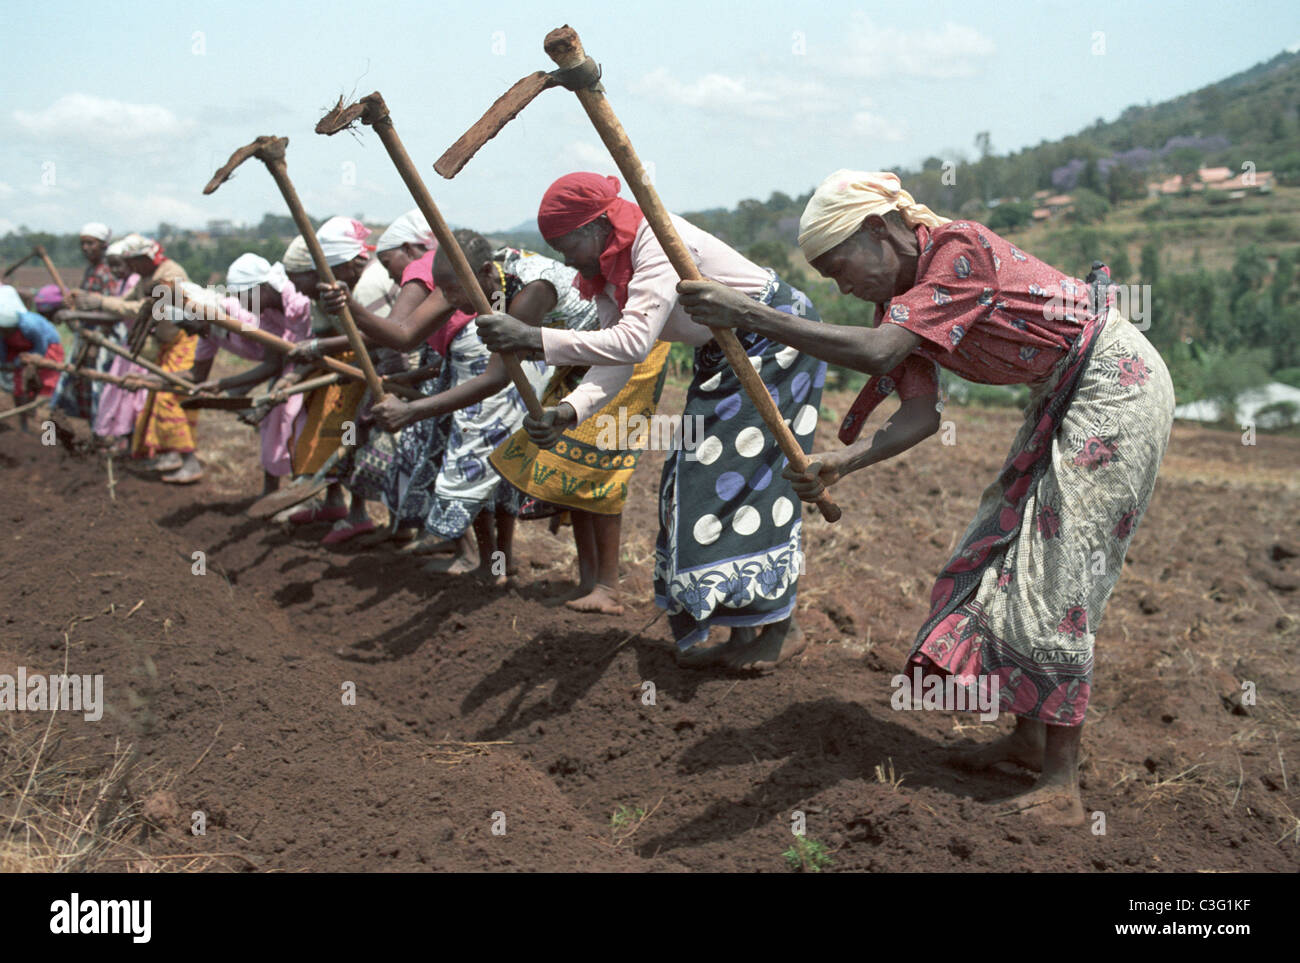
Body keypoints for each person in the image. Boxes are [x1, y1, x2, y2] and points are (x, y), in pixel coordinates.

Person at [678, 170, 1175, 826]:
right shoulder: (902, 306)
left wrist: (750, 315)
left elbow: (879, 350)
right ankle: (1028, 740)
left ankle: (1063, 783)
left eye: (841, 267)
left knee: (1062, 569)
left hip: (1115, 385)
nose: (842, 285)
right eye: (827, 278)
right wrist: (845, 461)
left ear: (881, 232)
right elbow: (920, 414)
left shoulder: (957, 252)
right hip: (1063, 390)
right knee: (1000, 548)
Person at [477, 173, 827, 665]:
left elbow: (634, 342)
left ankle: (778, 631)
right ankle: (743, 633)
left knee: (744, 485)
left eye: (566, 244)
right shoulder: (605, 272)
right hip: (724, 352)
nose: (563, 259)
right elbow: (618, 357)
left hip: (774, 342)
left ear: (598, 227)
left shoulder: (655, 243)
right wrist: (567, 411)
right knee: (694, 486)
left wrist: (532, 338)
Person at [325, 228, 551, 580]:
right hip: (476, 367)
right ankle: (493, 562)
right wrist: (348, 307)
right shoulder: (451, 281)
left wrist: (414, 409)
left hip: (498, 369)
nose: (450, 299)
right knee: (482, 462)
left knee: (483, 461)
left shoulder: (520, 284)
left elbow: (494, 378)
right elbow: (403, 336)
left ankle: (495, 565)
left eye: (389, 263)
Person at [279, 217, 384, 537]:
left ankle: (361, 513)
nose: (296, 289)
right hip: (348, 371)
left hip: (382, 367)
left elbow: (375, 336)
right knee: (331, 430)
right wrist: (293, 378)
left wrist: (318, 346)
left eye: (298, 280)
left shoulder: (367, 285)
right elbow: (320, 342)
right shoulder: (322, 298)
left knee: (360, 438)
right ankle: (334, 501)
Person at [71, 233, 202, 483]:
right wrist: (93, 304)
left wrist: (99, 301)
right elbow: (124, 302)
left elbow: (145, 308)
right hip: (168, 343)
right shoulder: (144, 277)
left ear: (143, 258)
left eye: (132, 263)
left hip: (185, 341)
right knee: (154, 399)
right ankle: (169, 455)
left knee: (169, 399)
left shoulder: (170, 274)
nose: (129, 269)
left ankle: (190, 462)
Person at [182, 254, 313, 495]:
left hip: (314, 364)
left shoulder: (296, 301)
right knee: (276, 425)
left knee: (296, 422)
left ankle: (302, 492)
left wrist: (225, 384)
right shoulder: (266, 313)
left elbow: (284, 358)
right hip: (294, 366)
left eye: (244, 297)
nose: (242, 304)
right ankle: (274, 493)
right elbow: (278, 359)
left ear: (261, 288)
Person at [50, 222, 119, 424]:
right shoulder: (92, 269)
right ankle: (88, 426)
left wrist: (97, 340)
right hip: (87, 334)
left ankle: (103, 430)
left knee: (99, 383)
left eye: (91, 243)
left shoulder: (108, 271)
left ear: (104, 245)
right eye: (83, 244)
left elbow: (112, 309)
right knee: (81, 381)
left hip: (102, 336)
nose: (86, 248)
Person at [90, 241, 146, 453]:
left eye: (118, 265)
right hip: (130, 345)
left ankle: (128, 443)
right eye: (111, 266)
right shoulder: (123, 283)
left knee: (131, 397)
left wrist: (91, 305)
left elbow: (122, 311)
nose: (115, 270)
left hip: (139, 345)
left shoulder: (134, 282)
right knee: (119, 395)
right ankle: (121, 441)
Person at [0, 284, 64, 418]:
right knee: (20, 387)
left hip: (46, 349)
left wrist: (30, 361)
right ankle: (22, 419)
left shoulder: (29, 325)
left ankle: (42, 417)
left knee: (44, 383)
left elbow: (41, 347)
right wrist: (6, 363)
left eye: (6, 331)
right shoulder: (4, 331)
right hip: (20, 351)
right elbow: (3, 348)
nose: (3, 333)